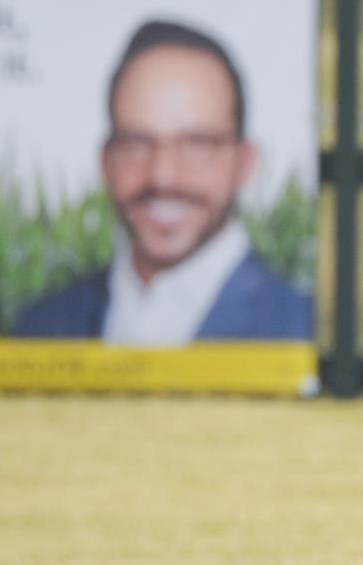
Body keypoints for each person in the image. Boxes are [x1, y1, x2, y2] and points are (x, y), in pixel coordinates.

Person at [10, 19, 310, 344]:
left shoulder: (302, 329)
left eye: (196, 144)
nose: (162, 175)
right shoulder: (41, 326)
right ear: (106, 161)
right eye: (137, 143)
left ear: (245, 161)